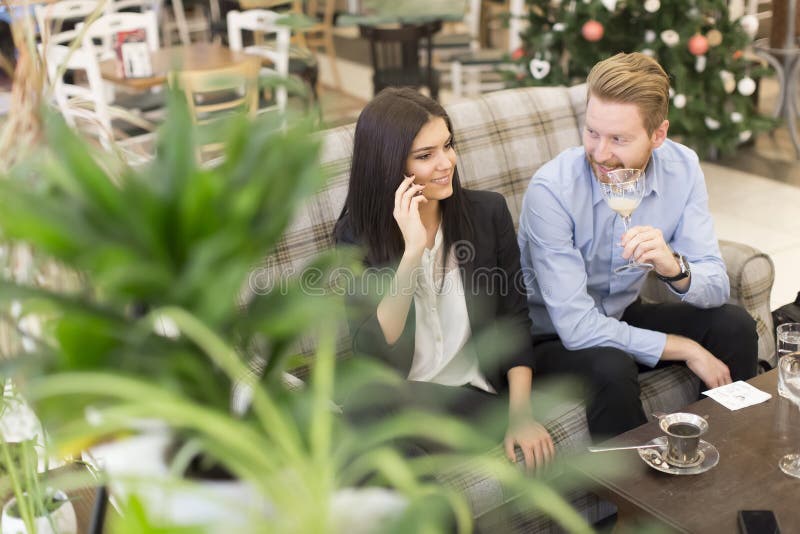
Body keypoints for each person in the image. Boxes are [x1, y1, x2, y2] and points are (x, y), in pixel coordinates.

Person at [518, 53, 758, 441]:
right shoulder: (552, 191)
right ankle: (636, 502)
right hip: (550, 337)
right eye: (592, 132)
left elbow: (715, 285)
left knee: (735, 327)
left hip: (622, 313)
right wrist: (685, 348)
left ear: (658, 135)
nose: (600, 153)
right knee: (611, 368)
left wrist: (673, 268)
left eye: (619, 139)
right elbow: (577, 328)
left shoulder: (683, 168)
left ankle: (730, 458)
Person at [333, 87, 553, 469]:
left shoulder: (488, 213)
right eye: (425, 155)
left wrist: (519, 415)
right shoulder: (355, 235)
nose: (446, 162)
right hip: (398, 400)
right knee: (367, 412)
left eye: (448, 146)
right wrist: (412, 252)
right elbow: (371, 349)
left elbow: (514, 320)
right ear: (389, 166)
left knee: (365, 424)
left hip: (470, 400)